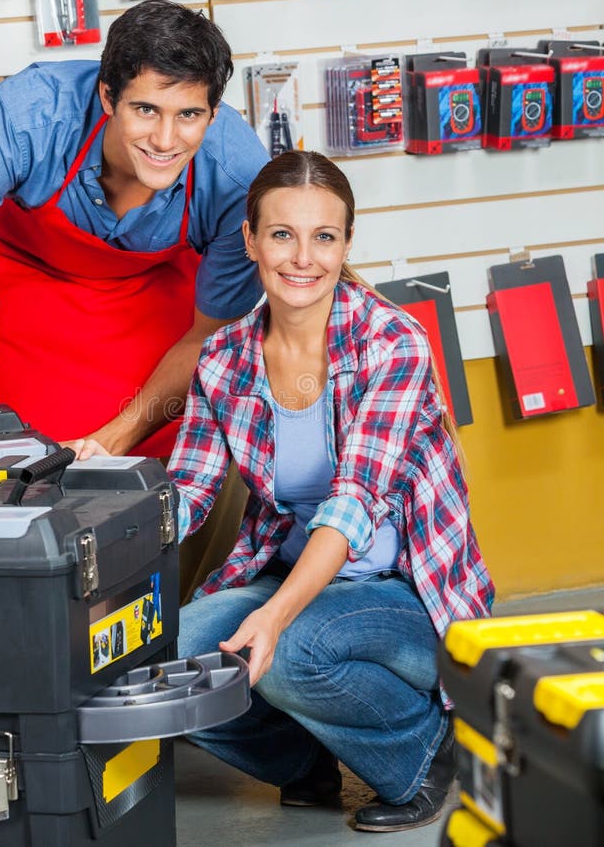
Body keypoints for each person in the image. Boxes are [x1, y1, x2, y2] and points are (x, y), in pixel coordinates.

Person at [166, 150, 495, 832]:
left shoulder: (390, 342)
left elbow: (351, 505)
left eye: (324, 237)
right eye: (282, 234)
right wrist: (95, 522)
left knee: (283, 648)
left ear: (345, 243)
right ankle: (302, 764)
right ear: (251, 239)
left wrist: (273, 618)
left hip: (405, 595)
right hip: (292, 577)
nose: (302, 258)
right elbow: (188, 492)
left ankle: (423, 754)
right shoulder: (224, 359)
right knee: (166, 659)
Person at [0, 0, 269, 599]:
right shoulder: (27, 115)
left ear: (214, 111)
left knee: (145, 477)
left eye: (189, 116)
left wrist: (110, 443)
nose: (166, 139)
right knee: (25, 469)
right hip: (17, 276)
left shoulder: (238, 179)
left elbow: (207, 338)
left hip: (152, 300)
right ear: (106, 97)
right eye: (145, 109)